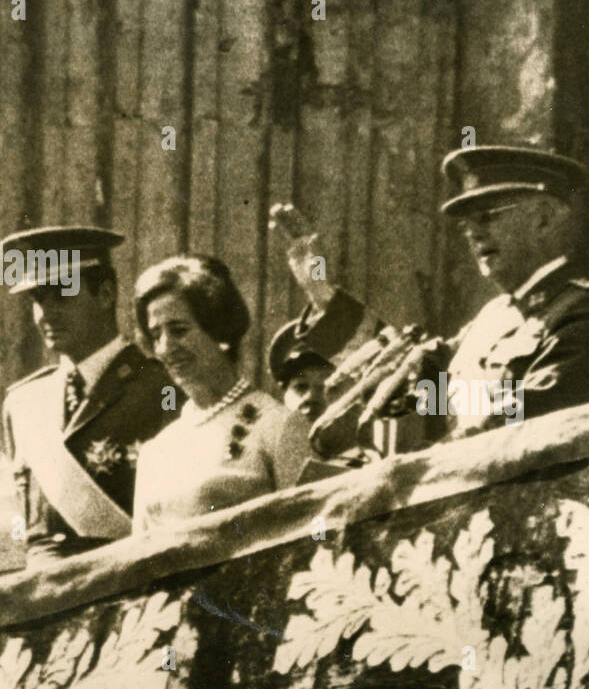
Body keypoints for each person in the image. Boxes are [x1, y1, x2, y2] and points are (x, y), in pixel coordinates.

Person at [396, 146, 589, 438]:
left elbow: (533, 412)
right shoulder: (491, 319)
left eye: (486, 217)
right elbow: (420, 384)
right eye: (466, 225)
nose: (473, 234)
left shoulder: (585, 314)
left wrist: (433, 454)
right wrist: (332, 312)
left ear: (542, 219)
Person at [1, 225, 174, 562]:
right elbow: (16, 528)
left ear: (106, 294)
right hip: (39, 594)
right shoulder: (22, 404)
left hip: (124, 588)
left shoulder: (162, 387)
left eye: (62, 295)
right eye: (39, 299)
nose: (46, 314)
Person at [131, 255, 340, 532]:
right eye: (156, 335)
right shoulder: (156, 450)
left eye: (179, 330)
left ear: (220, 330)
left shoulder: (279, 427)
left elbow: (315, 538)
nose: (166, 347)